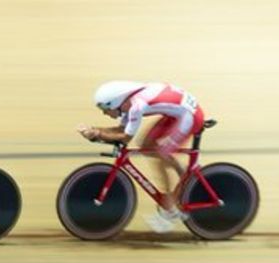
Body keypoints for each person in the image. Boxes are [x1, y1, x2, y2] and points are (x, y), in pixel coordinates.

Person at [78, 81, 206, 233]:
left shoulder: (137, 106)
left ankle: (169, 207)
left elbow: (125, 138)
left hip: (190, 117)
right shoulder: (127, 104)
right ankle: (184, 173)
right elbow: (120, 129)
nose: (105, 113)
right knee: (147, 145)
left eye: (105, 109)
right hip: (178, 113)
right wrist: (95, 130)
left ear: (115, 103)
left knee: (161, 154)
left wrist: (98, 134)